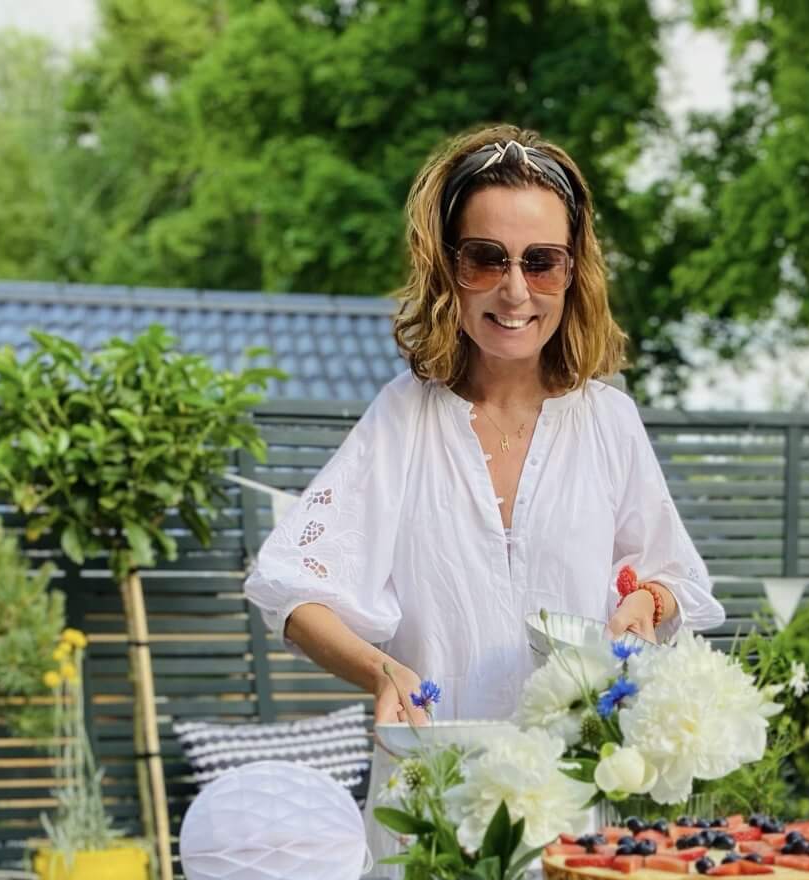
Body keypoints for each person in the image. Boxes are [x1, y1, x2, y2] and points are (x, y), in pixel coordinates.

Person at [244, 122, 725, 843]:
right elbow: (290, 589)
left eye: (542, 262)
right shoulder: (403, 419)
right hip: (430, 810)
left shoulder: (609, 422)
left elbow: (674, 581)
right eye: (484, 258)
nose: (514, 289)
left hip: (568, 808)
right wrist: (381, 672)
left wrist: (645, 605)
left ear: (572, 273)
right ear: (447, 267)